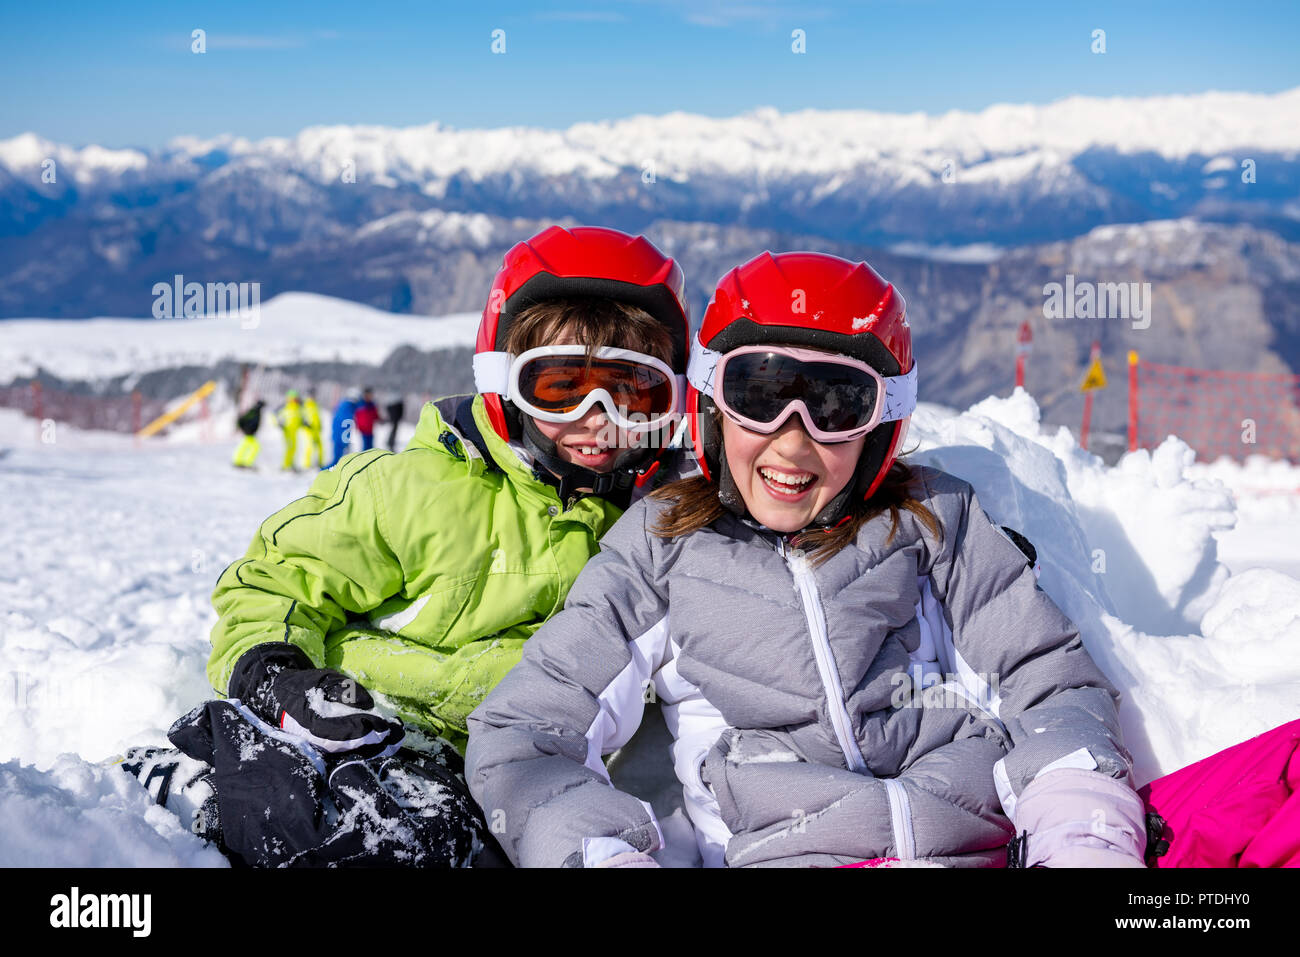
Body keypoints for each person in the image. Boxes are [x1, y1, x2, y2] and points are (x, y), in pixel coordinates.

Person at [467, 251, 1148, 869]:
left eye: (834, 405)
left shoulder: (935, 519)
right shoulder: (662, 546)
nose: (792, 442)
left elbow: (1046, 678)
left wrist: (1079, 827)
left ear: (881, 425)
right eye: (757, 398)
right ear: (712, 405)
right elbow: (525, 733)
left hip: (971, 845)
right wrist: (601, 855)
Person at [180, 226, 692, 867]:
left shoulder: (660, 524)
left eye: (630, 390)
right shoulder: (416, 492)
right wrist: (277, 679)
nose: (596, 417)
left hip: (539, 772)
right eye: (559, 386)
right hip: (380, 731)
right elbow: (278, 580)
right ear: (503, 382)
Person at [328, 389, 361, 468]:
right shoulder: (348, 407)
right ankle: (325, 472)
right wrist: (345, 440)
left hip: (339, 435)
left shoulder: (343, 405)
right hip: (340, 437)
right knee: (337, 460)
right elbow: (346, 423)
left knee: (339, 459)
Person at [231, 400, 265, 469]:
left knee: (246, 446)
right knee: (255, 446)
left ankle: (240, 461)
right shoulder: (253, 411)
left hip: (251, 432)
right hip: (248, 432)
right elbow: (242, 419)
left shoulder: (257, 412)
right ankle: (243, 462)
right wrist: (243, 428)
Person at [277, 390, 303, 471]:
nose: (295, 400)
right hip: (287, 430)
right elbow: (276, 415)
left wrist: (304, 423)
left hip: (294, 431)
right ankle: (286, 465)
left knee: (294, 448)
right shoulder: (285, 407)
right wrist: (280, 423)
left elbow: (299, 418)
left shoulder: (298, 408)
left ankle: (291, 464)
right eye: (294, 399)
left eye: (296, 399)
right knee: (289, 447)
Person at [299, 391, 324, 469]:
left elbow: (317, 416)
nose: (312, 397)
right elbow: (301, 415)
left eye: (313, 395)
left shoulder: (316, 405)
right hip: (308, 429)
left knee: (320, 446)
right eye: (311, 396)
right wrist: (305, 423)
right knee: (309, 446)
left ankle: (319, 462)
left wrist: (320, 425)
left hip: (316, 429)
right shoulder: (305, 405)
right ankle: (307, 464)